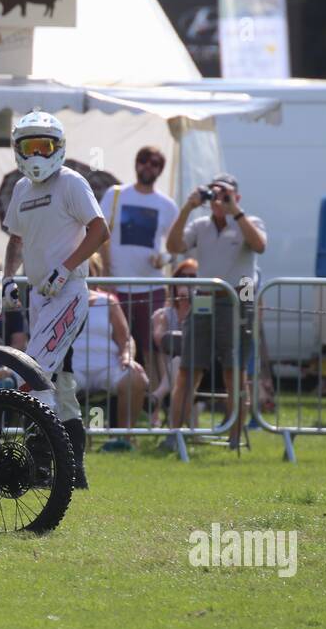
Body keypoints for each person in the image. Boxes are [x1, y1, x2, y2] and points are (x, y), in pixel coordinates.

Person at [1, 110, 109, 488]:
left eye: (43, 147)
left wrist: (65, 268)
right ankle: (73, 469)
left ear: (58, 148)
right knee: (60, 381)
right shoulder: (20, 189)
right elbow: (15, 239)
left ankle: (41, 462)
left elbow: (100, 230)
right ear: (17, 150)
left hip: (68, 291)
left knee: (34, 372)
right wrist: (8, 279)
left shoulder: (72, 183)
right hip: (38, 297)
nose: (35, 156)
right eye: (28, 147)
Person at [164, 175, 267, 449]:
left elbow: (259, 246)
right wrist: (187, 207)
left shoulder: (250, 221)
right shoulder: (200, 225)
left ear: (237, 197)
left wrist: (236, 211)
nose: (219, 200)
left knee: (234, 372)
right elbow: (173, 247)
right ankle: (175, 438)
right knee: (188, 369)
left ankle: (234, 439)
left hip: (237, 301)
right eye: (215, 194)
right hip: (204, 299)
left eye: (226, 194)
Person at [98, 146, 179, 389]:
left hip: (151, 287)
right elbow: (101, 233)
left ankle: (155, 403)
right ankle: (116, 397)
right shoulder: (115, 194)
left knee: (152, 347)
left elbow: (176, 247)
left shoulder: (167, 205)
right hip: (115, 285)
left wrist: (163, 258)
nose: (148, 166)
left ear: (160, 170)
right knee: (115, 345)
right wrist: (104, 273)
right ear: (136, 164)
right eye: (143, 160)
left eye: (154, 163)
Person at [72, 255, 149, 451]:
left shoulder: (109, 302)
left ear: (97, 274)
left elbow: (125, 339)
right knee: (53, 386)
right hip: (72, 369)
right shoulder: (60, 301)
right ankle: (65, 443)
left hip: (108, 366)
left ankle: (122, 438)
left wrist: (128, 356)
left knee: (137, 377)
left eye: (90, 271)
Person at [149, 257, 198, 418]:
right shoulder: (163, 315)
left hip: (203, 371)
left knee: (180, 361)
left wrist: (191, 305)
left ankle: (157, 396)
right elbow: (159, 339)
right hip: (171, 370)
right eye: (183, 277)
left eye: (194, 278)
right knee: (177, 361)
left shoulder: (205, 312)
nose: (188, 282)